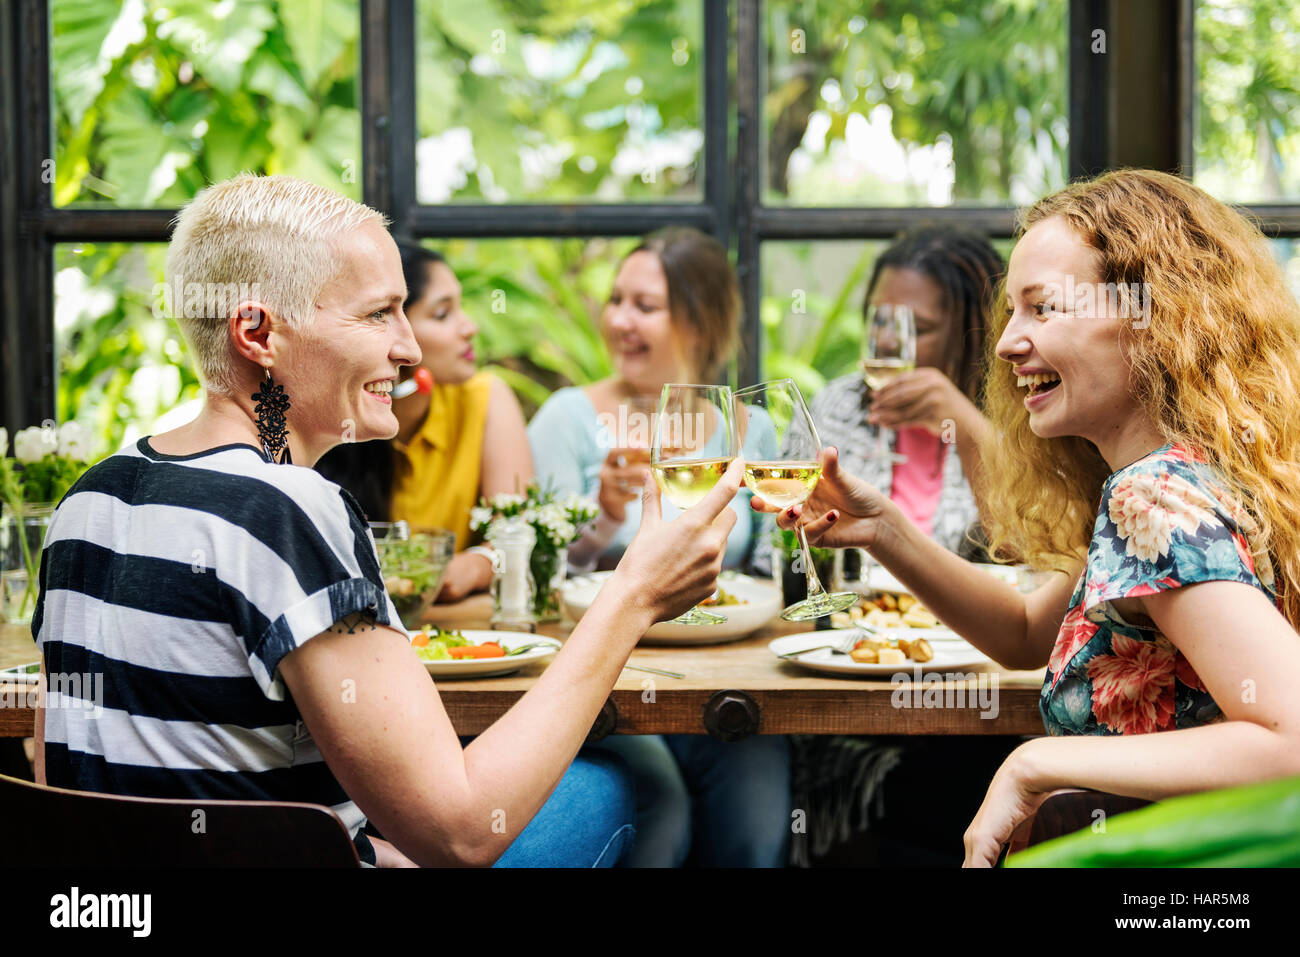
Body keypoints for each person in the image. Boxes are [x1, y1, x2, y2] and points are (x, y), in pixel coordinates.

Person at [33, 173, 745, 868]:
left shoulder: (86, 499)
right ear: (257, 332)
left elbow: (69, 776)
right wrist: (634, 595)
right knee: (627, 788)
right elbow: (462, 832)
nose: (408, 349)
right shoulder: (287, 510)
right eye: (378, 314)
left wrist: (362, 846)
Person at [755, 168, 1300, 867]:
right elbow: (1023, 634)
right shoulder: (1194, 471)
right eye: (1011, 312)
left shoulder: (1154, 495)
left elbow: (1289, 740)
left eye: (1042, 309)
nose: (1009, 342)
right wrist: (884, 529)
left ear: (1152, 316)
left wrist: (1033, 764)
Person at [528, 227, 791, 867]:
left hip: (726, 674)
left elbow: (769, 566)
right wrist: (601, 518)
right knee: (661, 813)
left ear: (700, 321)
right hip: (606, 680)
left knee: (759, 823)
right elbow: (539, 578)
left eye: (645, 306)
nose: (620, 319)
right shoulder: (567, 418)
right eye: (616, 300)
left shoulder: (750, 427)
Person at [756, 227, 1010, 866]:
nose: (891, 348)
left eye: (917, 329)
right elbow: (777, 555)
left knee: (962, 769)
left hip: (970, 676)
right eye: (880, 326)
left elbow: (1022, 553)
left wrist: (965, 421)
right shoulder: (839, 406)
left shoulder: (1015, 413)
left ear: (971, 330)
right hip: (849, 663)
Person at [315, 244, 532, 602]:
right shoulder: (335, 416)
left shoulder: (485, 398)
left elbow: (516, 531)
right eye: (443, 314)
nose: (470, 328)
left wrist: (476, 564)